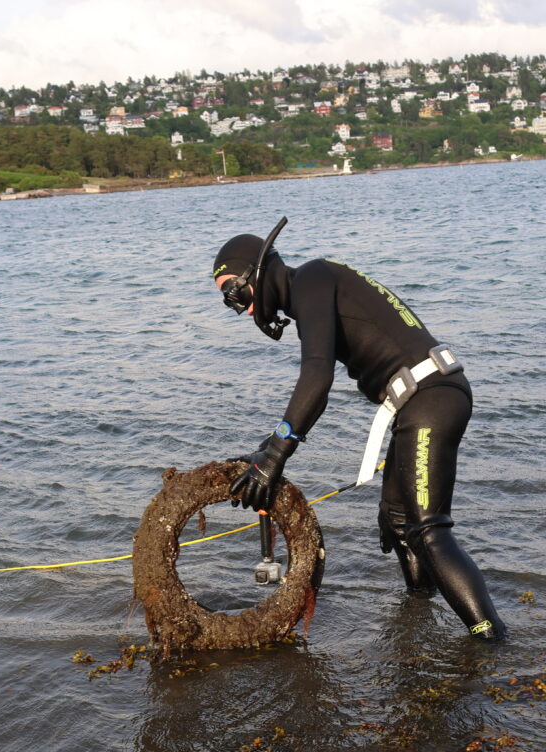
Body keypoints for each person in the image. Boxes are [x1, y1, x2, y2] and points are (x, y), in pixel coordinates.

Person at [213, 219, 507, 642]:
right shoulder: (313, 290)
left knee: (429, 529)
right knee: (399, 525)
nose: (241, 309)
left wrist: (277, 452)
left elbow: (317, 377)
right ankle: (418, 629)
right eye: (231, 304)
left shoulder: (312, 276)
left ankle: (492, 642)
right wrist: (266, 448)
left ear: (255, 272)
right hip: (419, 401)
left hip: (431, 397)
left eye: (234, 294)